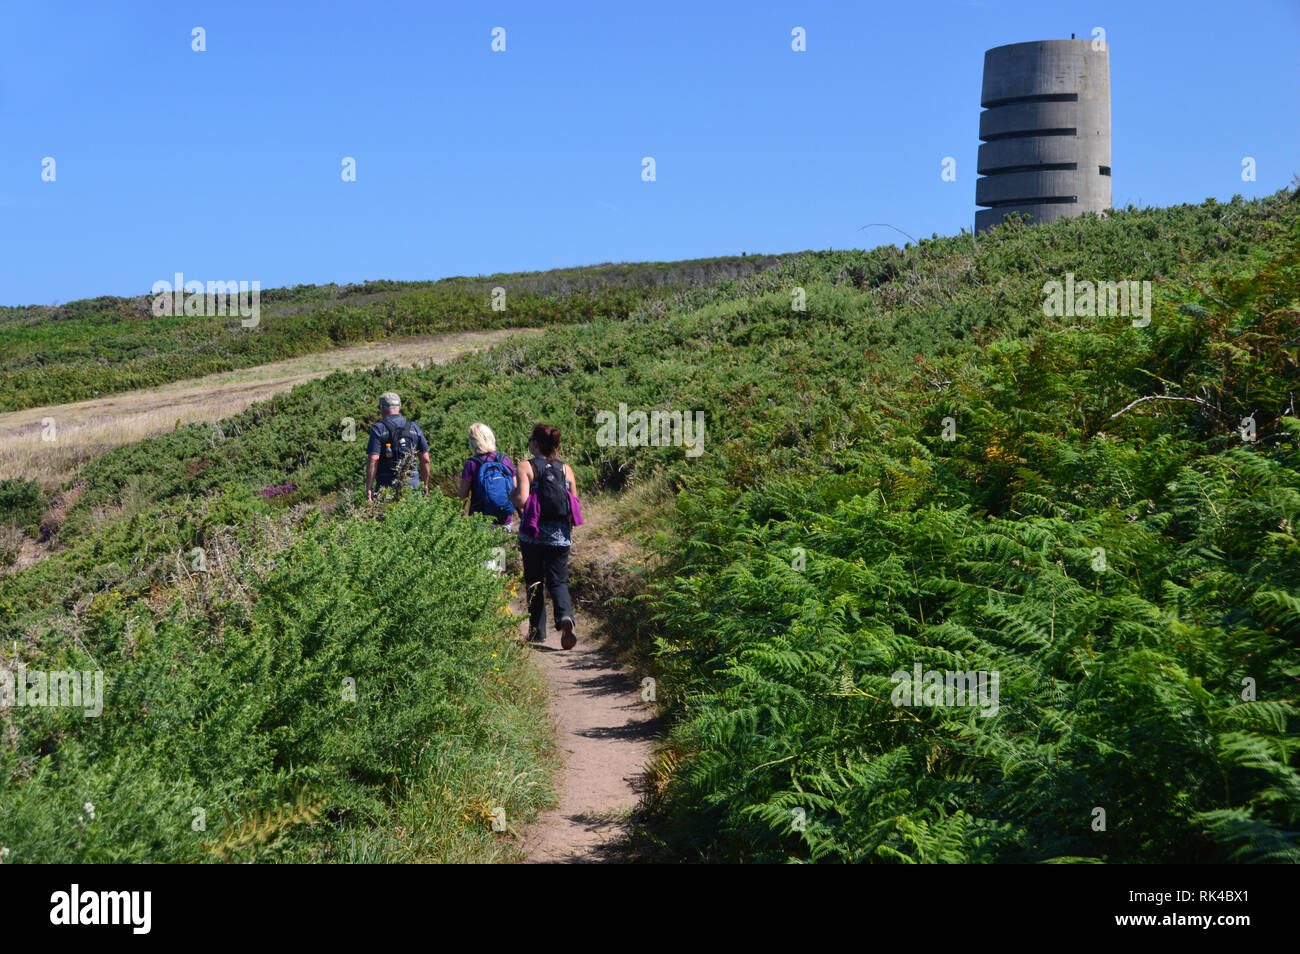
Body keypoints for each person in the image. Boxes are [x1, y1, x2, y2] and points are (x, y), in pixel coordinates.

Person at [511, 423, 579, 649]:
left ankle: (537, 632)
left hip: (533, 534)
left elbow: (521, 499)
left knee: (535, 581)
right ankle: (565, 616)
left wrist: (512, 495)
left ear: (537, 443)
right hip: (560, 535)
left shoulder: (526, 466)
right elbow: (573, 501)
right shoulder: (566, 469)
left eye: (531, 439)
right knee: (558, 580)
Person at [365, 392, 431, 501]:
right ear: (399, 406)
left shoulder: (378, 429)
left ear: (381, 408)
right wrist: (425, 485)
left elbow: (373, 459)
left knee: (387, 516)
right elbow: (425, 459)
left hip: (386, 485)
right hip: (412, 484)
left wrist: (369, 487)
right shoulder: (414, 427)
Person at [457, 423, 517, 529]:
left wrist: (457, 518)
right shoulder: (505, 460)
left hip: (480, 520)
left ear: (473, 442)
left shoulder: (471, 464)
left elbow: (462, 496)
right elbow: (515, 490)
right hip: (504, 519)